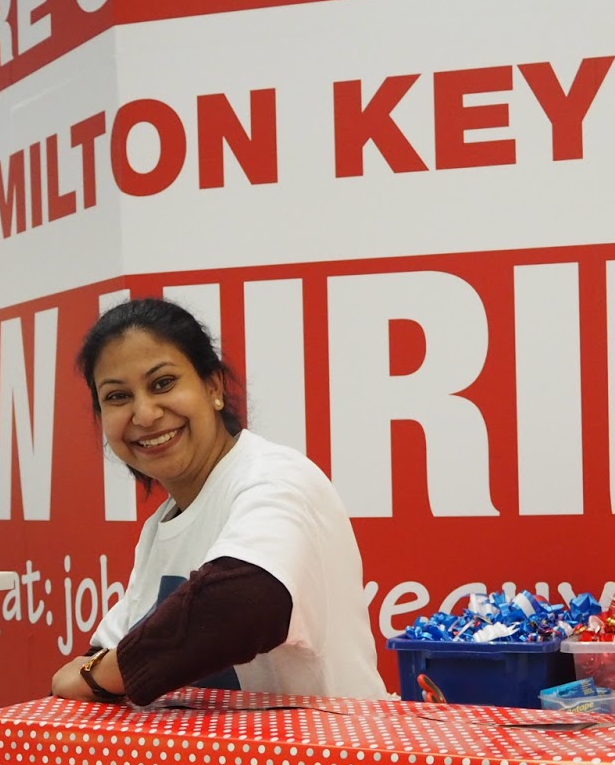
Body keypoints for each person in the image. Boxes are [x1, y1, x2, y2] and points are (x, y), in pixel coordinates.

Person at [51, 297, 386, 705]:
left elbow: (246, 604)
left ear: (213, 387)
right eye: (118, 397)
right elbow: (108, 652)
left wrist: (96, 676)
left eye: (163, 383)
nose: (145, 413)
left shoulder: (276, 478)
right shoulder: (161, 528)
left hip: (330, 761)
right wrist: (94, 672)